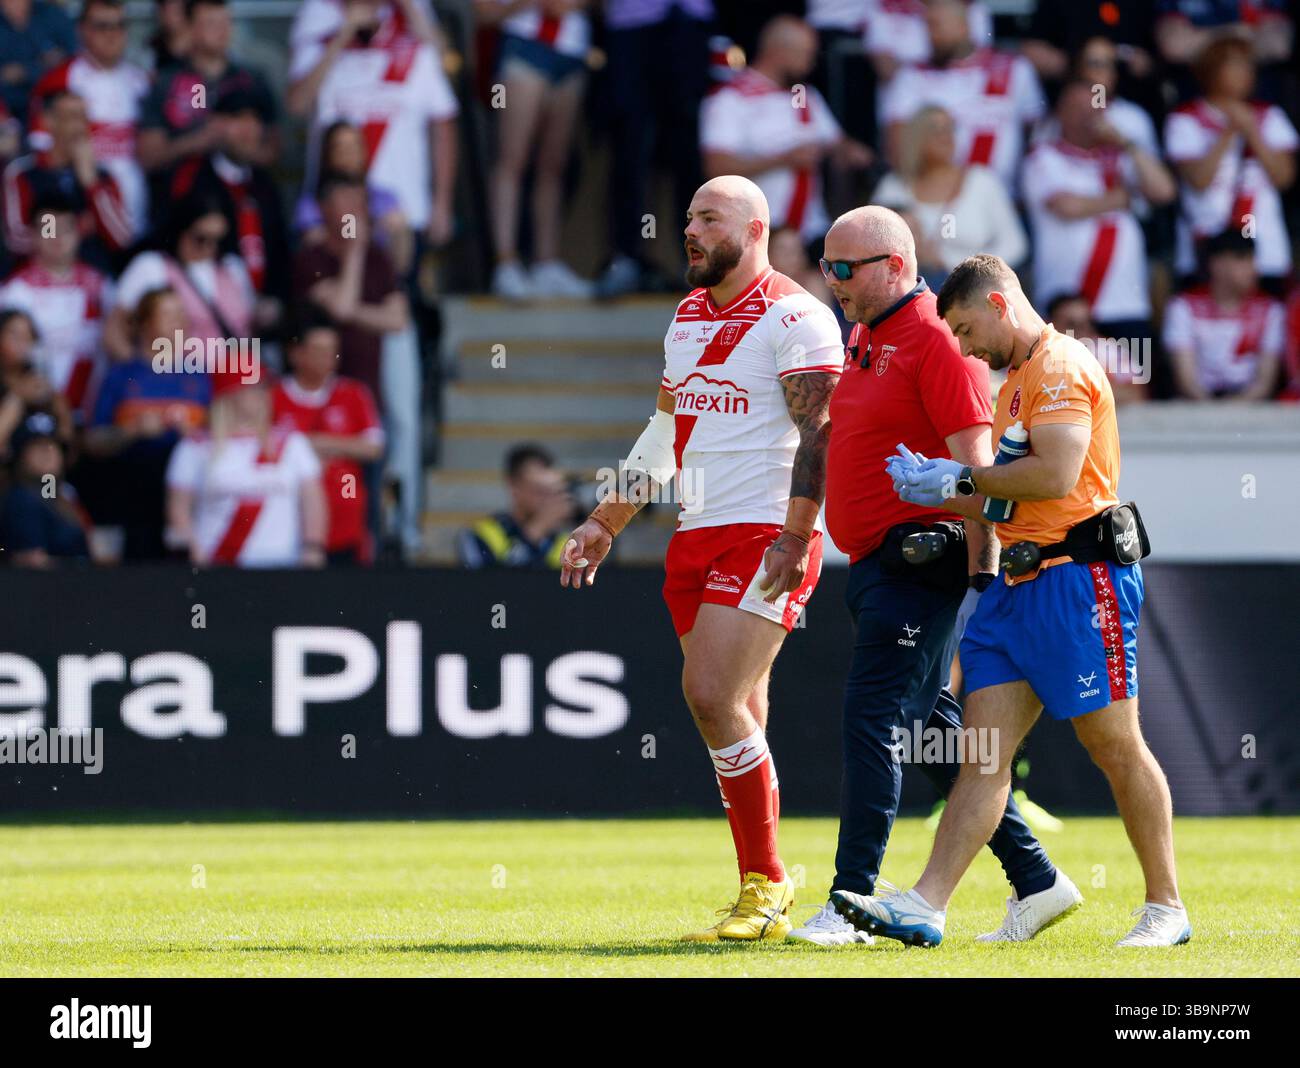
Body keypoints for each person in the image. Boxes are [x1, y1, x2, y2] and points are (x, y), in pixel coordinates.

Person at [833, 253, 1189, 948]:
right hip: (1016, 587)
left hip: (1078, 579)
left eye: (966, 329)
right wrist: (963, 496)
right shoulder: (1016, 385)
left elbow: (1055, 474)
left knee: (1113, 744)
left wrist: (956, 482)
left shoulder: (1059, 368)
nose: (963, 347)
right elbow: (1007, 484)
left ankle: (1166, 908)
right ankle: (927, 905)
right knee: (982, 754)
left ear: (998, 305)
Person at [561, 175, 845, 940]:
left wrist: (796, 532)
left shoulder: (798, 316)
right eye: (687, 217)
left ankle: (769, 883)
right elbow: (663, 435)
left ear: (754, 231)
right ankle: (763, 891)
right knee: (739, 707)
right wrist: (606, 519)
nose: (689, 230)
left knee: (710, 691)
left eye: (708, 218)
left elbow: (820, 433)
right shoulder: (686, 317)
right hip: (695, 532)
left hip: (764, 531)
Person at [788, 207, 1073, 947]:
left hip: (922, 555)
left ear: (894, 263)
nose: (834, 282)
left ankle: (851, 898)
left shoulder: (938, 343)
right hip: (874, 560)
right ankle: (1038, 879)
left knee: (873, 718)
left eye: (845, 268)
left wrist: (981, 578)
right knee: (928, 731)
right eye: (827, 267)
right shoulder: (864, 333)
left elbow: (978, 466)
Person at [287, 0, 459, 257]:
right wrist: (343, 33)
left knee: (395, 293)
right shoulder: (319, 18)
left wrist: (442, 204)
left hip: (402, 211)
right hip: (332, 214)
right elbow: (297, 105)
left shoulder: (415, 48)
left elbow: (448, 69)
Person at [1021, 80, 1176, 340]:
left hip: (1126, 303)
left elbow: (1164, 191)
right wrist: (1122, 198)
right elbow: (1067, 207)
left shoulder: (1121, 155)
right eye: (1079, 108)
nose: (1088, 116)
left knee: (1135, 377)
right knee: (1065, 379)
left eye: (1095, 107)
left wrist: (1127, 144)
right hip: (1066, 304)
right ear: (1060, 113)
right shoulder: (1043, 156)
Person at [699, 16, 872, 247]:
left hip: (811, 231)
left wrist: (853, 153)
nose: (811, 64)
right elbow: (717, 167)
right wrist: (784, 159)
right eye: (806, 54)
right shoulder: (730, 98)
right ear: (778, 52)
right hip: (754, 232)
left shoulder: (804, 94)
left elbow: (836, 142)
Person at [597, 0, 715, 297]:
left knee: (688, 153)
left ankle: (694, 258)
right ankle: (625, 257)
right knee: (631, 148)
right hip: (632, 25)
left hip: (690, 23)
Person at [478, 0, 594, 300]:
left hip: (572, 49)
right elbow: (484, 12)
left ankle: (547, 263)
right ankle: (504, 263)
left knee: (554, 165)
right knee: (511, 160)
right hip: (524, 45)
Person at [81, 286, 210, 560]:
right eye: (167, 314)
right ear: (144, 323)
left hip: (189, 495)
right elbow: (93, 442)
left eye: (180, 314)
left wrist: (196, 436)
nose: (178, 322)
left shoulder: (201, 377)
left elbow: (223, 435)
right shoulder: (121, 375)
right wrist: (133, 431)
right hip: (130, 494)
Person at [1163, 34, 1298, 286]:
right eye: (1235, 64)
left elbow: (1284, 178)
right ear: (1211, 68)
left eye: (1249, 64)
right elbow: (1198, 180)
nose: (1245, 72)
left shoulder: (1270, 115)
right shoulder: (1185, 118)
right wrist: (1228, 133)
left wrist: (1252, 132)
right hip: (1206, 246)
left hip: (1263, 247)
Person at [137, 0, 281, 218]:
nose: (222, 31)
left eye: (227, 23)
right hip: (180, 210)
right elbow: (148, 156)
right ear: (190, 28)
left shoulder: (252, 81)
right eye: (212, 24)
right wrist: (197, 141)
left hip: (243, 207)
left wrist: (237, 143)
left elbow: (274, 149)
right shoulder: (166, 81)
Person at [880, 0, 1045, 190]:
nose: (928, 35)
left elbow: (1035, 133)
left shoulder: (1014, 69)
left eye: (935, 25)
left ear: (963, 27)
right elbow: (898, 145)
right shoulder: (911, 76)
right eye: (926, 26)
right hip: (936, 196)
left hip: (1003, 197)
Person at [165, 376, 326, 568]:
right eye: (253, 388)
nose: (263, 394)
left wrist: (313, 547)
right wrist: (193, 553)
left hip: (283, 565)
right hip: (216, 564)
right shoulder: (195, 446)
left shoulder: (292, 442)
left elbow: (313, 500)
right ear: (229, 393)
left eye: (264, 387)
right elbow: (178, 508)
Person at [272, 313, 384, 565]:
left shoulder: (353, 393)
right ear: (295, 353)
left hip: (347, 525)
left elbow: (374, 447)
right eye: (320, 350)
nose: (330, 358)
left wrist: (317, 444)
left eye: (334, 350)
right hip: (290, 525)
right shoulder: (274, 396)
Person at [31, 0, 150, 238]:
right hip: (83, 221)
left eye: (119, 26)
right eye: (102, 26)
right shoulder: (60, 80)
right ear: (82, 30)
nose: (112, 35)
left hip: (141, 216)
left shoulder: (142, 82)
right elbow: (41, 155)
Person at [872, 105, 1026, 287]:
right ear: (916, 138)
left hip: (974, 290)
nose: (946, 136)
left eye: (950, 128)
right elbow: (873, 243)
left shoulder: (982, 181)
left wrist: (962, 268)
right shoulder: (893, 187)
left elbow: (1015, 244)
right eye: (935, 130)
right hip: (908, 288)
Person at [105, 194, 255, 365]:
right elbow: (113, 332)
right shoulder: (152, 266)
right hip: (175, 383)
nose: (210, 248)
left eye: (218, 240)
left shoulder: (233, 268)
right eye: (201, 239)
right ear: (181, 230)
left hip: (231, 383)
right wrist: (142, 375)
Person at [0, 193, 112, 414]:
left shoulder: (101, 287)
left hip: (93, 410)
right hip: (36, 412)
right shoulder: (15, 292)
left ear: (78, 233)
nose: (57, 237)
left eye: (66, 228)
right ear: (32, 234)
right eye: (48, 228)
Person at [1, 87, 132, 275]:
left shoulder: (102, 175)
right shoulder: (24, 172)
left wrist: (90, 182)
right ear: (48, 121)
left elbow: (120, 238)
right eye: (71, 117)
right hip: (38, 282)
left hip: (94, 280)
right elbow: (16, 239)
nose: (80, 127)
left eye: (83, 118)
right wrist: (74, 227)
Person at [1162, 229, 1284, 401]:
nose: (1253, 269)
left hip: (1251, 407)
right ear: (1217, 264)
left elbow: (1265, 381)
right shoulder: (1183, 307)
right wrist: (1212, 410)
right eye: (1243, 259)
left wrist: (1235, 408)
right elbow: (1186, 379)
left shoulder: (1271, 310)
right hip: (1197, 406)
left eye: (1253, 260)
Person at [292, 119, 411, 277]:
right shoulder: (313, 203)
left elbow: (401, 266)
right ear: (328, 154)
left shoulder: (383, 198)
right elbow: (316, 253)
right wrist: (362, 232)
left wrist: (399, 233)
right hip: (335, 283)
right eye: (340, 147)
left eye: (354, 146)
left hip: (377, 284)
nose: (348, 154)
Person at [458, 443, 575, 568]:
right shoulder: (480, 535)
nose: (547, 500)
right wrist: (537, 529)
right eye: (539, 490)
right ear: (513, 486)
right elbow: (483, 585)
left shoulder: (567, 542)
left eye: (552, 491)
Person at [0, 409, 89, 566]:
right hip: (45, 588)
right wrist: (83, 566)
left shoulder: (60, 495)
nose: (48, 453)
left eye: (53, 445)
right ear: (20, 456)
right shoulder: (21, 499)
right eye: (37, 446)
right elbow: (32, 561)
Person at [1047, 293, 1148, 405]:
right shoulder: (1039, 354)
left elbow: (1136, 395)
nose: (1083, 330)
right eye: (1072, 324)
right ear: (1051, 325)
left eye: (1087, 323)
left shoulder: (1108, 350)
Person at [0, 307, 73, 459]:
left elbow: (68, 445)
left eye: (29, 336)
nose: (23, 342)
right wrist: (17, 399)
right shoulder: (18, 393)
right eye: (15, 335)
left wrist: (57, 403)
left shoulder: (42, 384)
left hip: (45, 478)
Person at [0, 0, 76, 124]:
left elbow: (72, 54)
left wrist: (26, 70)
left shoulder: (51, 14)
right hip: (6, 105)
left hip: (50, 101)